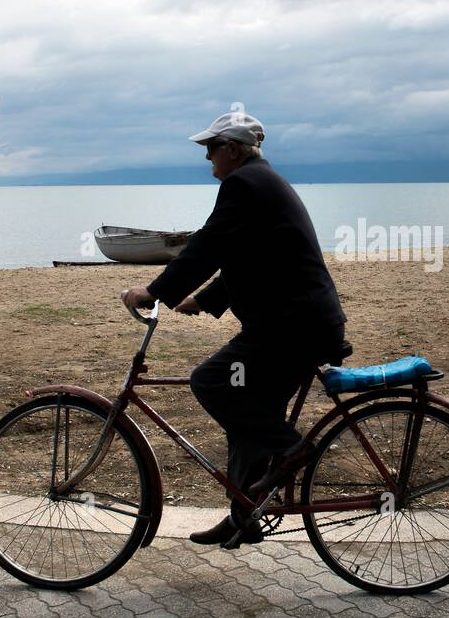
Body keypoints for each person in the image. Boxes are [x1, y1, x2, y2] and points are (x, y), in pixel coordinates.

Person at [120, 112, 347, 546]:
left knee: (211, 381)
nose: (207, 157)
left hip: (291, 329)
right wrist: (201, 300)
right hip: (300, 325)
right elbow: (248, 257)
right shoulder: (261, 183)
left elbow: (208, 246)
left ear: (235, 149)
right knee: (247, 417)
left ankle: (292, 448)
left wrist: (153, 291)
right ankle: (245, 515)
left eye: (212, 148)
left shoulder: (243, 185)